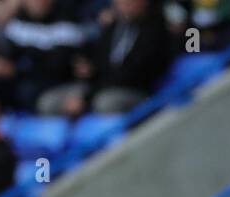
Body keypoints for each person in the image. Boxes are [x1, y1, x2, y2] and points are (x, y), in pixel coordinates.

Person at [39, 0, 173, 117]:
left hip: (135, 91)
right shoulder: (113, 26)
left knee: (105, 103)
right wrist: (88, 68)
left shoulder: (155, 28)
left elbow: (133, 75)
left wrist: (87, 98)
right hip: (100, 86)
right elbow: (99, 60)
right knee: (48, 102)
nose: (124, 4)